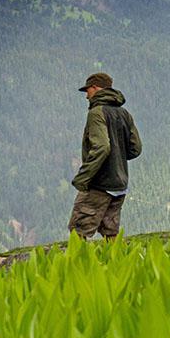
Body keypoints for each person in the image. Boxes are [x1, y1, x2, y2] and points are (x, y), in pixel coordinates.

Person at [68, 72, 142, 239]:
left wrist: (83, 177)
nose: (86, 96)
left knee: (78, 231)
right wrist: (118, 158)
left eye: (87, 91)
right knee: (111, 233)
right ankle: (115, 263)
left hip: (99, 184)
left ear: (94, 87)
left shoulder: (96, 113)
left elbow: (102, 147)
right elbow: (136, 148)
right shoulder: (124, 113)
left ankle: (79, 264)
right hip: (119, 184)